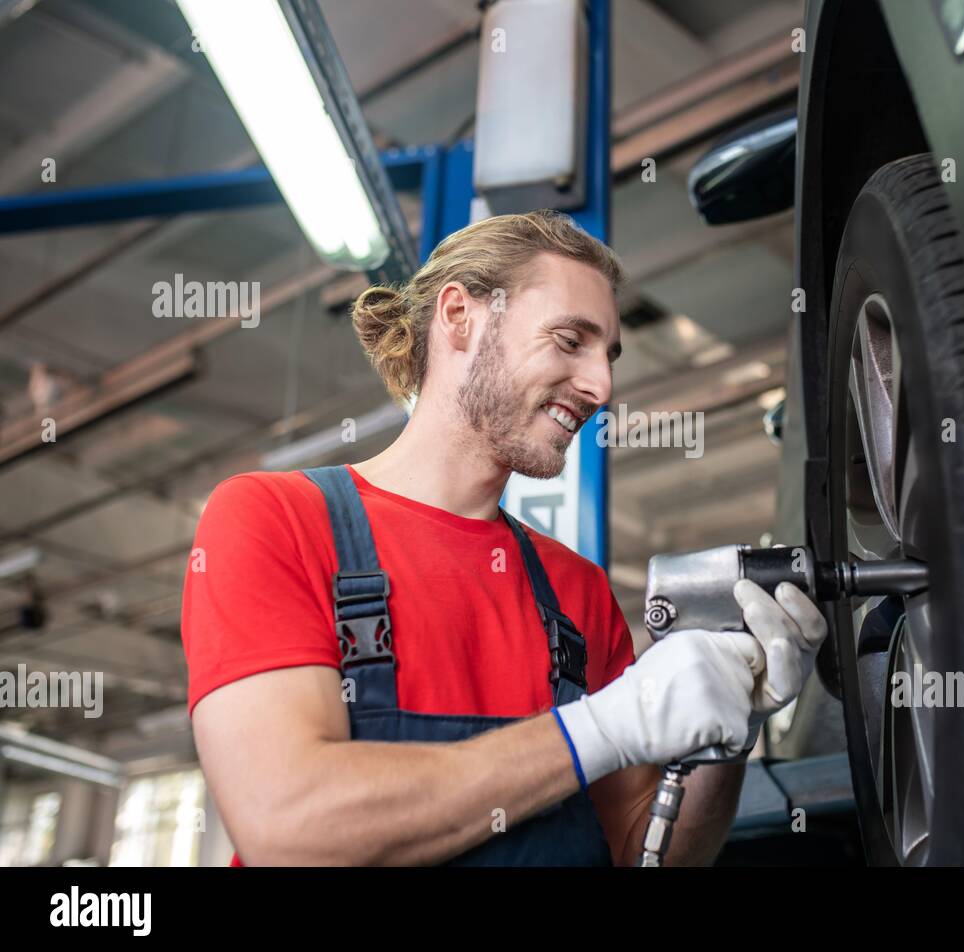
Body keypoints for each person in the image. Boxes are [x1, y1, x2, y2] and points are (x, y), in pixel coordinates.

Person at [181, 209, 828, 866]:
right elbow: (288, 827)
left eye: (608, 356)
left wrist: (724, 732)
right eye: (570, 340)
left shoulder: (578, 594)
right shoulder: (275, 518)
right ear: (460, 316)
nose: (601, 386)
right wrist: (600, 728)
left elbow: (648, 854)